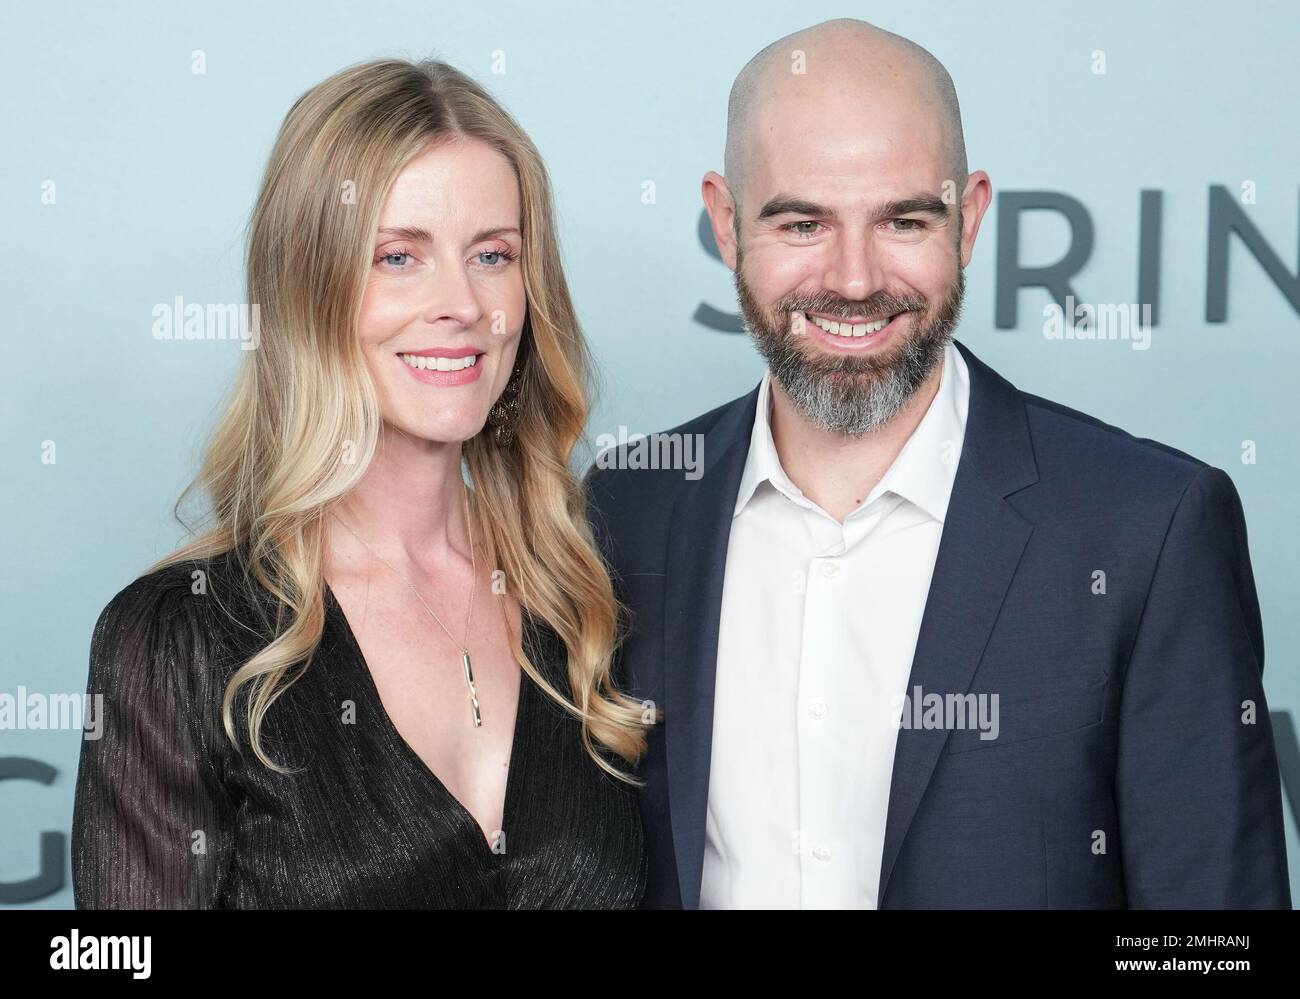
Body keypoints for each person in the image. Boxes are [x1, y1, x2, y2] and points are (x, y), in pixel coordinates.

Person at [584, 18, 1291, 908]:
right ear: (726, 224)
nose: (851, 279)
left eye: (903, 219)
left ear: (971, 219)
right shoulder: (626, 509)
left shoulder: (1149, 526)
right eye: (802, 221)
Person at [72, 58, 647, 909]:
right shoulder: (178, 641)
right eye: (398, 257)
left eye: (492, 254)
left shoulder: (587, 597)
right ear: (308, 287)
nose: (460, 301)